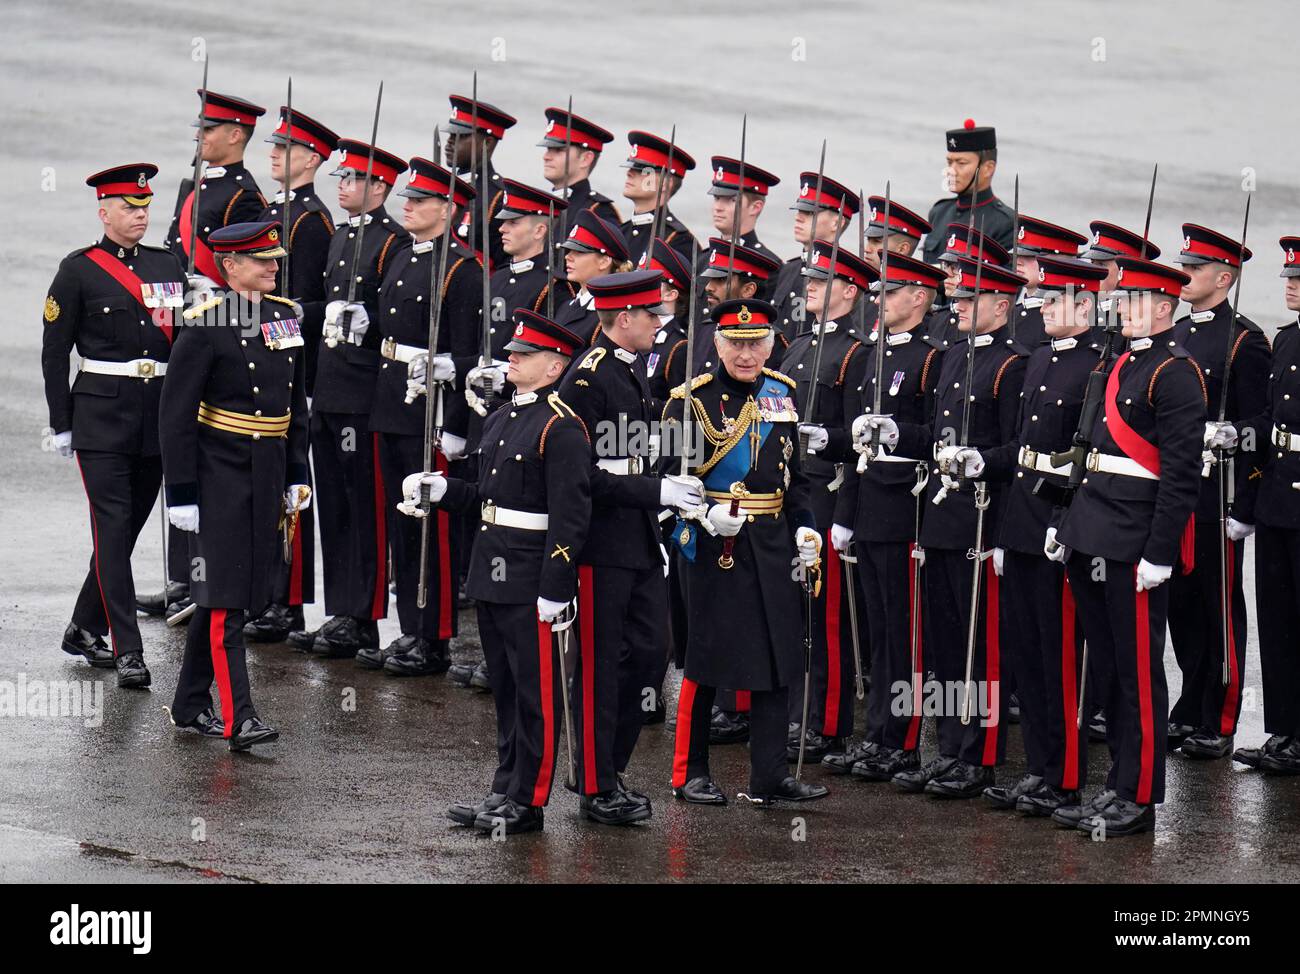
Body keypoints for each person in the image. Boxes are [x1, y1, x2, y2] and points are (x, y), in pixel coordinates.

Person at [399, 312, 592, 833]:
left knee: (537, 692)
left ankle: (529, 800)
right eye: (513, 352)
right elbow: (486, 498)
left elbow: (570, 519)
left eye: (524, 355)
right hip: (492, 570)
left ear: (553, 367)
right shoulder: (503, 417)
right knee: (506, 689)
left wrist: (557, 586)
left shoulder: (563, 428)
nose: (512, 359)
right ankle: (505, 785)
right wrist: (442, 491)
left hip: (533, 578)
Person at [861, 256, 1030, 798]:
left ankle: (979, 757)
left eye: (968, 299)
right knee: (946, 641)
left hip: (980, 519)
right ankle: (951, 746)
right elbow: (934, 435)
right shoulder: (954, 357)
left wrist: (983, 465)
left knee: (979, 645)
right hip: (938, 515)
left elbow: (1014, 450)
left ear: (1001, 306)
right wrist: (896, 434)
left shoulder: (1012, 365)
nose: (955, 305)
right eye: (956, 299)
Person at [1051, 256, 1206, 836]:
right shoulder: (1121, 364)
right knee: (1112, 668)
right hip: (1093, 531)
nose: (1124, 310)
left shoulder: (1176, 374)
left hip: (1136, 540)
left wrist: (1160, 553)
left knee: (1140, 673)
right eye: (1125, 301)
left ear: (1165, 310)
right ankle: (1117, 780)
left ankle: (1138, 797)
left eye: (1137, 303)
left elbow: (1181, 475)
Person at [664, 298, 828, 806]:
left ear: (773, 342)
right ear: (716, 343)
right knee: (706, 657)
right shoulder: (689, 401)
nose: (746, 353)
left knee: (779, 656)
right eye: (735, 343)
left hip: (772, 540)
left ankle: (769, 776)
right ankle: (688, 772)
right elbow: (669, 479)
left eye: (756, 342)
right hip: (714, 542)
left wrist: (807, 531)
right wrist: (704, 516)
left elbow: (796, 479)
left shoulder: (783, 393)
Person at [557, 269, 705, 824]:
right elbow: (581, 476)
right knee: (598, 665)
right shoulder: (588, 379)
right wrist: (655, 489)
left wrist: (670, 482)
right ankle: (596, 784)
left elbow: (636, 451)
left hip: (640, 534)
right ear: (624, 320)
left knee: (648, 652)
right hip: (600, 542)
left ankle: (604, 768)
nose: (659, 324)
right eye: (652, 316)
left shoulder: (630, 369)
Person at [160, 220, 309, 750]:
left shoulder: (286, 318)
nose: (274, 266)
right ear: (230, 266)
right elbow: (175, 415)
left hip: (267, 466)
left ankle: (189, 702)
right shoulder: (204, 323)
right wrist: (180, 492)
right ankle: (238, 717)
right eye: (262, 259)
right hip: (219, 471)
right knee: (226, 600)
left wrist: (296, 474)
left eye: (274, 258)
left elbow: (297, 405)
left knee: (236, 591)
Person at [974, 255, 1109, 815]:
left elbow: (1088, 462)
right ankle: (1038, 767)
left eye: (1054, 301)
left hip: (1060, 526)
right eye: (1043, 300)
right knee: (1027, 654)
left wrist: (1063, 523)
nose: (1043, 309)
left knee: (1059, 658)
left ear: (1085, 306)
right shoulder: (1037, 362)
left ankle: (1066, 776)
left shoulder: (1100, 367)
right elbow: (1021, 454)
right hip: (1023, 523)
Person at [43, 164, 185, 687]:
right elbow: (55, 353)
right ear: (104, 212)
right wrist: (62, 422)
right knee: (111, 526)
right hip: (100, 417)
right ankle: (129, 650)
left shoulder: (168, 263)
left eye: (145, 206)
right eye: (128, 207)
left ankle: (83, 627)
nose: (140, 215)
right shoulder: (77, 270)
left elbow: (186, 341)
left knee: (120, 534)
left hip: (157, 419)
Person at [828, 253, 947, 781]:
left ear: (919, 297)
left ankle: (902, 740)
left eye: (891, 291)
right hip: (870, 504)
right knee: (877, 631)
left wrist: (899, 436)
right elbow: (856, 442)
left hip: (906, 509)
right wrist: (845, 512)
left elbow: (936, 439)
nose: (879, 299)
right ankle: (876, 734)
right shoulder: (868, 357)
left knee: (905, 633)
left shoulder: (931, 359)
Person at [288, 140, 410, 655]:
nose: (341, 186)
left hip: (364, 392)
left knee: (365, 509)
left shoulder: (391, 242)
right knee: (334, 505)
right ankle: (339, 610)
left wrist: (370, 321)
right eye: (339, 179)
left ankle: (364, 614)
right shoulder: (341, 236)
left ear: (379, 187)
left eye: (352, 180)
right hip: (332, 386)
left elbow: (401, 319)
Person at [369, 157, 482, 675]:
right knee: (401, 521)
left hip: (431, 408)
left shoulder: (461, 269)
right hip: (393, 397)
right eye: (407, 200)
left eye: (419, 201)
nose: (407, 207)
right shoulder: (402, 256)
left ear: (447, 208)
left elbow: (472, 356)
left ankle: (433, 637)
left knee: (430, 524)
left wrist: (454, 423)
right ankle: (409, 628)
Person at [1166, 223, 1270, 759]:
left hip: (1220, 493)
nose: (1183, 276)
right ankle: (1188, 704)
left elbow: (1260, 429)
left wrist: (1245, 504)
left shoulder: (1245, 343)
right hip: (1180, 494)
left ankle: (1222, 715)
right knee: (1181, 604)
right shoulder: (1180, 334)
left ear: (1224, 277)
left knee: (1218, 603)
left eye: (1193, 269)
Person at [244, 105, 340, 645]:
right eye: (274, 146)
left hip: (289, 357)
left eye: (285, 148)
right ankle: (272, 591)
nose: (274, 154)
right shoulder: (276, 210)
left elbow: (306, 301)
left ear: (312, 158)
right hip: (266, 351)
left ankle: (289, 600)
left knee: (291, 479)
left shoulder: (307, 220)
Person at [786, 241, 874, 761]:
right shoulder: (798, 345)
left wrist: (846, 515)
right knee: (797, 611)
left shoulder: (857, 355)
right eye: (810, 278)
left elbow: (857, 442)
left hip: (828, 490)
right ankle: (799, 712)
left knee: (827, 613)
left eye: (822, 281)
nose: (810, 286)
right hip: (793, 490)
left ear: (849, 290)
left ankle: (830, 721)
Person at [1230, 237, 1300, 773]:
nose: (1290, 286)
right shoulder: (1286, 341)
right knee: (1277, 619)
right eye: (1288, 279)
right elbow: (1270, 420)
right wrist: (1235, 433)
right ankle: (1284, 730)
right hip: (1278, 497)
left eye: (1298, 280)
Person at [771, 173, 858, 343]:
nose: (798, 217)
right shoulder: (788, 270)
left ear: (836, 223)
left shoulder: (845, 278)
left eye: (810, 212)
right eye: (800, 210)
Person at [921, 120, 1016, 264]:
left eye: (961, 163)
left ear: (988, 168)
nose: (951, 170)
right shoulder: (938, 212)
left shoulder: (1006, 223)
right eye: (949, 162)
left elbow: (1007, 282)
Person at [442, 93, 516, 272]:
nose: (449, 143)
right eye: (450, 134)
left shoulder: (498, 199)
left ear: (488, 143)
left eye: (460, 136)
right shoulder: (442, 188)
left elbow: (504, 266)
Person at [619, 130, 697, 268]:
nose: (629, 172)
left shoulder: (678, 241)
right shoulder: (620, 232)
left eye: (643, 171)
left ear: (666, 184)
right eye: (632, 167)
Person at [1009, 216, 1088, 349]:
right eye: (1018, 254)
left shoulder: (1067, 319)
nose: (1018, 261)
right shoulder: (1011, 314)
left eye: (1031, 256)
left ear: (1059, 262)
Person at [554, 209, 632, 344]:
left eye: (578, 252)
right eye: (569, 251)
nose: (568, 257)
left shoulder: (609, 316)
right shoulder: (567, 307)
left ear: (604, 261)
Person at [537, 106, 620, 226]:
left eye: (558, 150)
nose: (546, 156)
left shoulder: (597, 212)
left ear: (586, 159)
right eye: (548, 149)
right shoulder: (542, 207)